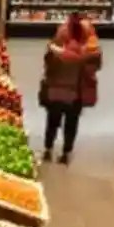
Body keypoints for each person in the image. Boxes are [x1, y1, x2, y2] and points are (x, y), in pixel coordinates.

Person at [40, 13, 101, 164]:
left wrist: (55, 53)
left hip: (56, 89)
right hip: (76, 92)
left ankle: (48, 149)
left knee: (52, 121)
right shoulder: (90, 47)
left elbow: (49, 64)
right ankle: (66, 153)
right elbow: (95, 65)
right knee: (71, 124)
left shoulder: (58, 42)